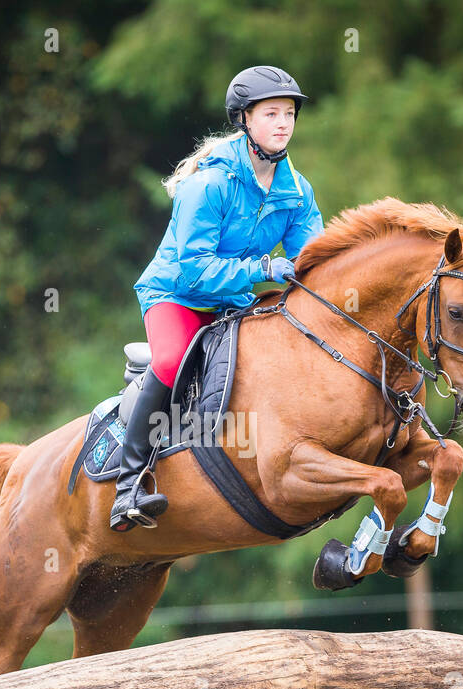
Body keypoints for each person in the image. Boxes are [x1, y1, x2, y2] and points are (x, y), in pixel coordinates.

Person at [111, 65, 325, 531]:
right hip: (178, 294)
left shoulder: (296, 191)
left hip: (233, 301)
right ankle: (127, 486)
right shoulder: (207, 184)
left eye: (289, 113)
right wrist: (263, 270)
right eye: (271, 114)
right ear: (245, 120)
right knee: (170, 362)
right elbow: (195, 270)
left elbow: (313, 259)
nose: (283, 123)